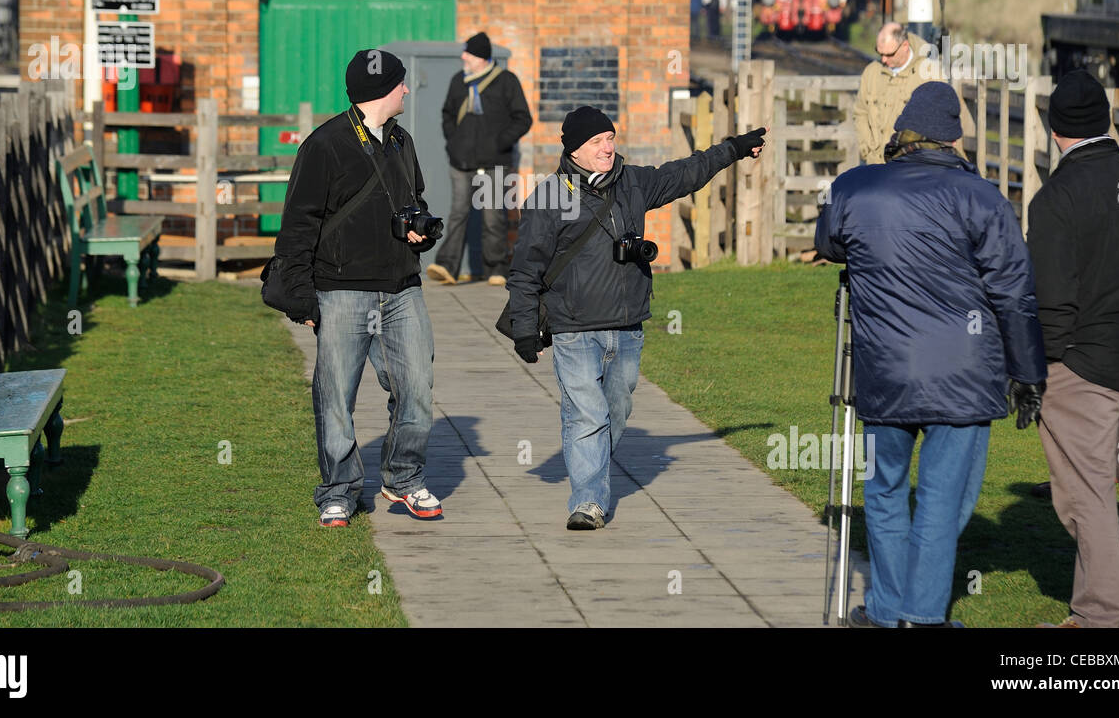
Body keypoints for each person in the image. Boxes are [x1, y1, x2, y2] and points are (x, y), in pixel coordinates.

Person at [815, 82, 1046, 627]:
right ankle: (921, 615)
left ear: (903, 132)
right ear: (954, 139)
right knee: (943, 503)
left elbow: (828, 243)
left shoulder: (854, 188)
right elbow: (1015, 293)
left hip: (885, 373)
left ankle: (888, 609)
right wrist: (1028, 375)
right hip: (964, 377)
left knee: (886, 491)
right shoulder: (984, 198)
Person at [507, 105, 767, 530]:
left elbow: (688, 172)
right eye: (597, 142)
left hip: (627, 327)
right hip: (574, 329)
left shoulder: (634, 183)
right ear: (574, 150)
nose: (607, 148)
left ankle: (592, 472)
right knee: (586, 414)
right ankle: (589, 502)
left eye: (610, 139)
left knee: (616, 410)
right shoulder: (550, 197)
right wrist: (523, 328)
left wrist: (734, 149)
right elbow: (525, 269)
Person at [1025, 70, 1119, 628]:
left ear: (1054, 130)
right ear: (1107, 124)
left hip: (1081, 364)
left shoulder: (1055, 199)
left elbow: (1051, 296)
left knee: (1086, 494)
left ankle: (1097, 617)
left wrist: (1044, 364)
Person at [271, 48, 443, 528]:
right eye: (401, 83)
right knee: (335, 396)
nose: (407, 89)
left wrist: (421, 231)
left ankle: (403, 480)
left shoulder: (401, 141)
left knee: (417, 388)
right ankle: (339, 491)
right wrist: (301, 294)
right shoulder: (324, 146)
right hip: (341, 291)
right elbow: (298, 225)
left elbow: (415, 200)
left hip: (402, 287)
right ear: (381, 91)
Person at [427, 32, 532, 287]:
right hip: (460, 162)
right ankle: (446, 266)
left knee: (493, 216)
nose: (463, 57)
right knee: (458, 214)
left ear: (482, 58)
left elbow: (523, 118)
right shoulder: (458, 81)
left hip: (494, 162)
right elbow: (447, 115)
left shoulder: (506, 81)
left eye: (469, 53)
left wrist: (498, 143)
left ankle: (496, 269)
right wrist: (453, 143)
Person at [852, 22, 934, 164]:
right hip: (875, 165)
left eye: (889, 54)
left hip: (911, 167)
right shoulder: (871, 72)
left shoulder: (929, 74)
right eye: (880, 53)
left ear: (904, 46)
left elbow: (939, 122)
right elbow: (860, 113)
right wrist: (866, 149)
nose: (883, 59)